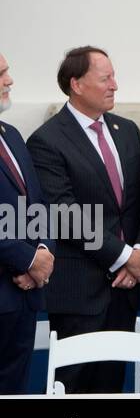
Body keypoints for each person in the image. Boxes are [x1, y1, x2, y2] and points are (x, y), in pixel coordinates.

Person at [28, 46, 140, 393]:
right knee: (74, 386)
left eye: (114, 76)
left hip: (125, 291)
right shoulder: (47, 141)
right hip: (79, 292)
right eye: (105, 78)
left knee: (112, 386)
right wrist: (123, 256)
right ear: (77, 84)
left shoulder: (126, 131)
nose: (115, 84)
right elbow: (65, 212)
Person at [0, 52, 53, 395]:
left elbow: (37, 204)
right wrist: (28, 259)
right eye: (2, 74)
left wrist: (43, 250)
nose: (10, 81)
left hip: (22, 298)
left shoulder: (12, 135)